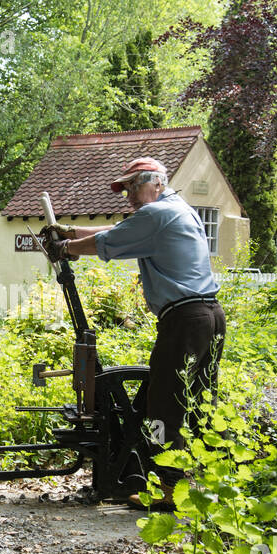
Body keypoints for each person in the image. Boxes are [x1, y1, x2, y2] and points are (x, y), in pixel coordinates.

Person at [44, 157, 225, 506]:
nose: (128, 194)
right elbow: (114, 234)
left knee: (164, 405)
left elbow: (107, 243)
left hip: (185, 319)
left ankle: (169, 487)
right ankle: (211, 478)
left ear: (157, 182)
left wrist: (65, 248)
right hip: (209, 315)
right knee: (199, 400)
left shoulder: (157, 215)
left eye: (133, 185)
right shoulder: (176, 210)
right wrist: (69, 233)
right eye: (125, 187)